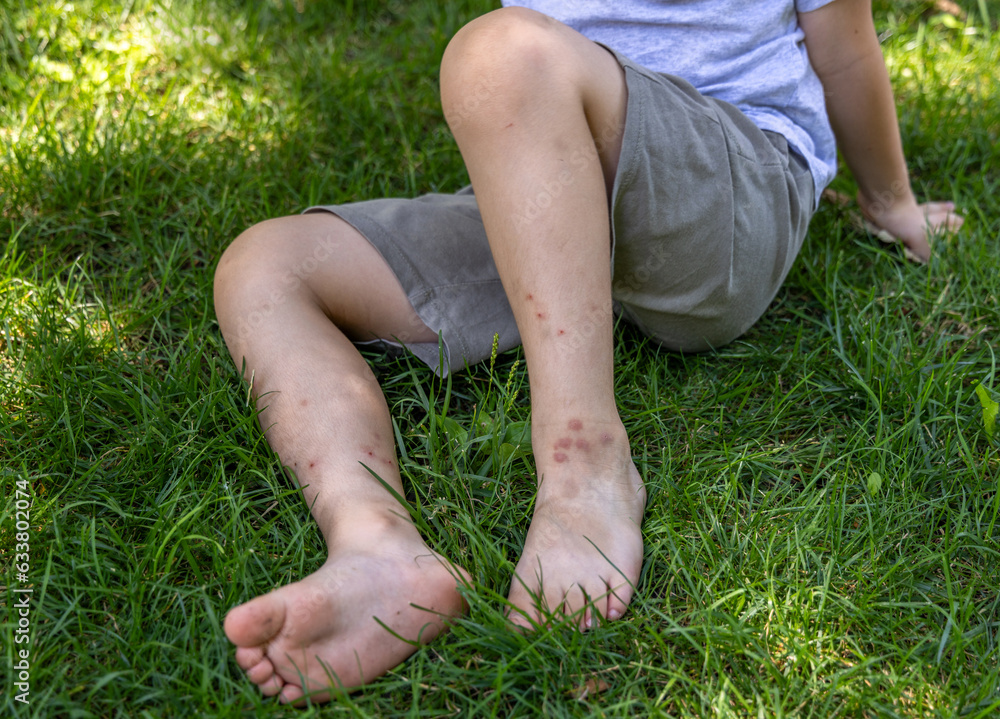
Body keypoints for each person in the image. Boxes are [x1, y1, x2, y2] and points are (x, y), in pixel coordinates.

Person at [212, 0, 963, 705]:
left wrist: (889, 202)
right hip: (548, 193)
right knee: (266, 270)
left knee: (502, 54)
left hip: (731, 190)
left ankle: (585, 470)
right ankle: (374, 546)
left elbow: (844, 48)